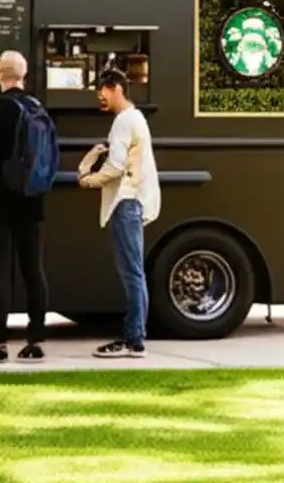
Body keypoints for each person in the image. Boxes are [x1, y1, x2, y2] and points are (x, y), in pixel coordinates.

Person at [0, 51, 51, 363]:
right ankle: (36, 339)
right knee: (33, 269)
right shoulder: (37, 109)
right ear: (24, 74)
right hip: (32, 199)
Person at [79, 67, 161, 358]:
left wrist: (89, 179)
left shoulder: (123, 122)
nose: (99, 96)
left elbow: (115, 166)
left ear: (116, 88)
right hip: (134, 202)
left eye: (102, 90)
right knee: (134, 272)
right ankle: (134, 336)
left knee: (131, 273)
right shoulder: (137, 119)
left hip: (124, 203)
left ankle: (134, 339)